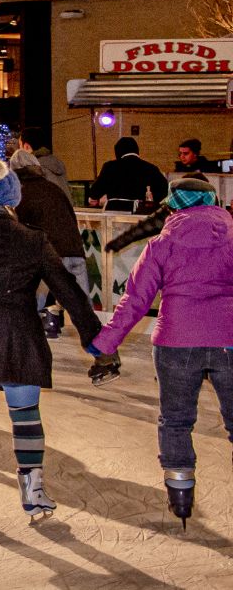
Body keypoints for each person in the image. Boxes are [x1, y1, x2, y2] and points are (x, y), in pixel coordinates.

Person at [0, 158, 115, 520]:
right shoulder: (34, 240)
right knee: (26, 415)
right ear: (13, 199)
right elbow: (69, 292)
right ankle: (33, 488)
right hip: (18, 333)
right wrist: (97, 344)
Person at [89, 177, 233, 527]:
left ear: (174, 203)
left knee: (176, 420)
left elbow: (135, 300)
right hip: (229, 339)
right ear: (213, 200)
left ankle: (180, 495)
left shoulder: (161, 243)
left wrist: (105, 342)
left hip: (176, 341)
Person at [7, 148, 92, 341]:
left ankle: (24, 338)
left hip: (49, 254)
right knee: (83, 307)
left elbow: (19, 228)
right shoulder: (54, 188)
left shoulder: (20, 193)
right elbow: (70, 217)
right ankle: (103, 350)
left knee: (33, 298)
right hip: (74, 250)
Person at [87, 136, 169, 213]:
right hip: (137, 210)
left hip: (113, 210)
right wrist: (152, 200)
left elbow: (96, 190)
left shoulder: (110, 166)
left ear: (118, 152)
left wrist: (94, 197)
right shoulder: (150, 168)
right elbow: (164, 189)